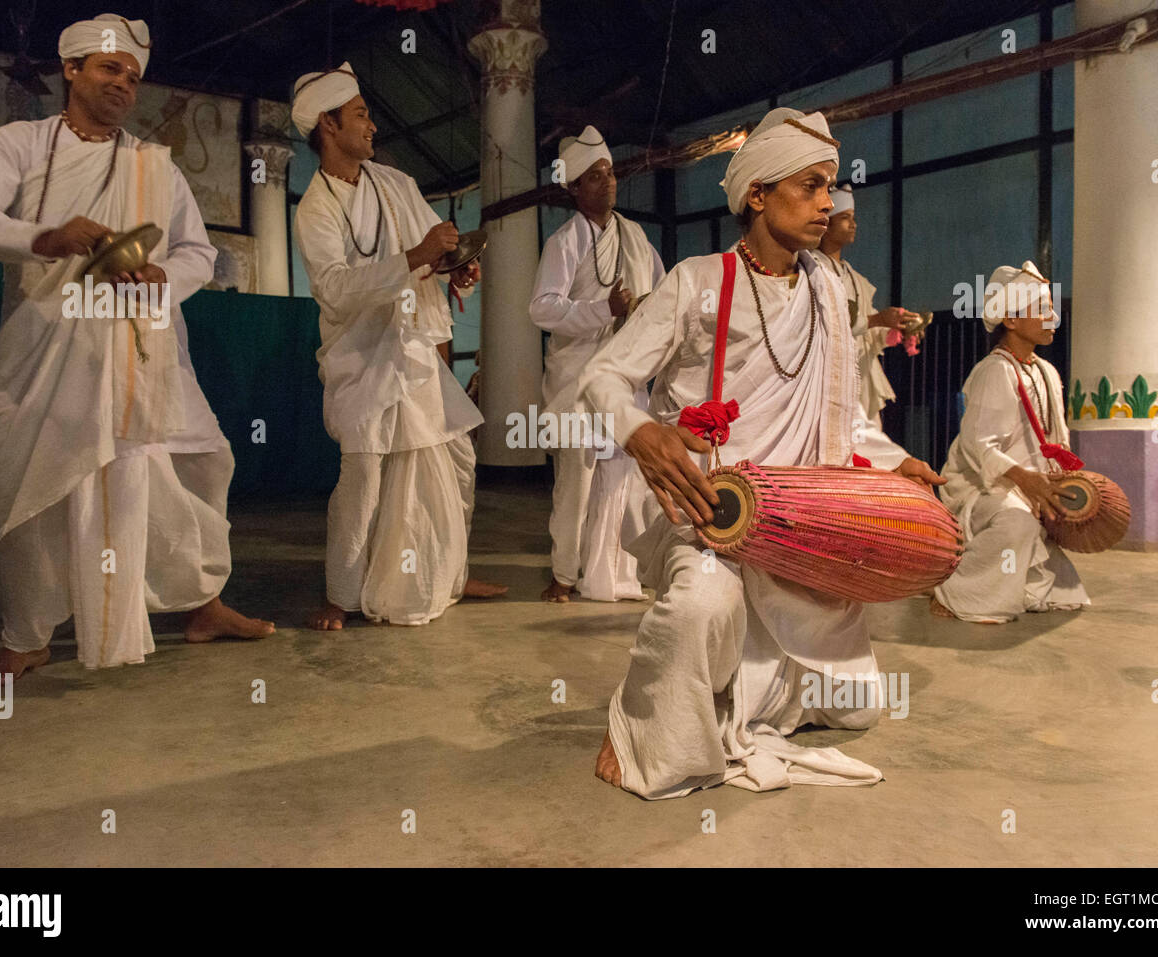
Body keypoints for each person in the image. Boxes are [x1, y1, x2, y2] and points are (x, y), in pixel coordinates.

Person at [577, 108, 945, 799]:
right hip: (710, 509)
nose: (826, 204)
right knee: (701, 608)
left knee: (858, 706)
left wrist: (895, 463)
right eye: (809, 186)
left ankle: (751, 700)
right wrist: (641, 433)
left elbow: (847, 412)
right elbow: (601, 377)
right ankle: (642, 716)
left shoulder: (830, 292)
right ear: (756, 195)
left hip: (801, 519)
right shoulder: (697, 281)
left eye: (829, 187)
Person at [0, 13, 274, 677]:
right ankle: (27, 632)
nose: (124, 83)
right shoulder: (19, 146)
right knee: (23, 486)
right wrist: (45, 238)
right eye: (109, 68)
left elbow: (198, 252)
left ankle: (199, 601)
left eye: (132, 75)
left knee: (187, 471)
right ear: (71, 69)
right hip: (43, 348)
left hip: (140, 356)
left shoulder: (156, 168)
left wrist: (161, 278)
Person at [291, 63, 506, 629]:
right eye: (360, 115)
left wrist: (456, 270)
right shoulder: (314, 208)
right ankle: (340, 595)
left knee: (456, 455)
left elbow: (440, 248)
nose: (372, 126)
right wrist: (415, 258)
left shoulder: (397, 184)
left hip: (409, 351)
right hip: (359, 359)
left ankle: (448, 574)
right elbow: (335, 290)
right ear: (328, 125)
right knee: (363, 476)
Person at [529, 126, 664, 603]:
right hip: (578, 382)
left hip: (625, 379)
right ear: (573, 189)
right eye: (594, 177)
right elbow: (542, 307)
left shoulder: (636, 235)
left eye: (609, 173)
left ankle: (613, 575)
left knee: (623, 480)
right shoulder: (564, 242)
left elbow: (662, 293)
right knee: (577, 484)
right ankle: (564, 574)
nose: (607, 182)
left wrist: (646, 313)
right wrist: (601, 310)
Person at [932, 261, 1089, 623]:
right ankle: (955, 593)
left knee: (1064, 593)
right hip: (982, 486)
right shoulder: (994, 371)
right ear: (1011, 320)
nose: (1053, 316)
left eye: (1052, 307)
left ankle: (1013, 582)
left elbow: (1056, 439)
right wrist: (1025, 480)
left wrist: (1058, 483)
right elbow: (977, 446)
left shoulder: (1046, 371)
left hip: (1029, 485)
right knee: (1017, 523)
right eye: (1042, 309)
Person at [812, 183, 919, 430]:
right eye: (845, 218)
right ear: (826, 225)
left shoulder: (856, 279)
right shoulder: (813, 269)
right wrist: (878, 319)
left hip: (859, 376)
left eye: (854, 218)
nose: (854, 224)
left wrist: (898, 328)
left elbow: (867, 335)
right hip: (826, 378)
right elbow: (831, 323)